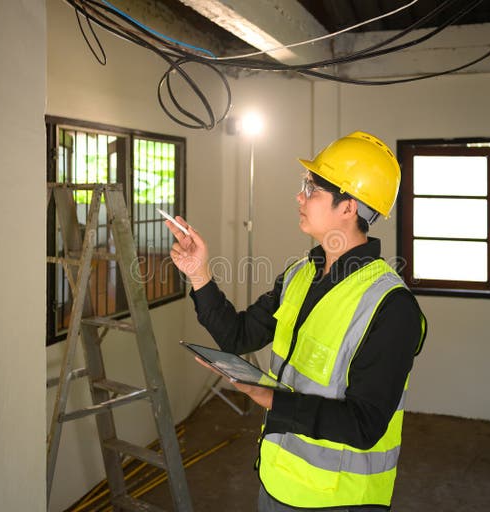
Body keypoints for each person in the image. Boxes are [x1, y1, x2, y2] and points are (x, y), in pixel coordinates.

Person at [166, 131, 427, 511]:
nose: (299, 196)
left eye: (312, 188)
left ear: (349, 207)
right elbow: (238, 336)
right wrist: (199, 274)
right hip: (276, 483)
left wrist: (268, 397)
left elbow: (365, 424)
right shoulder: (298, 275)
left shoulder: (390, 305)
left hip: (339, 502)